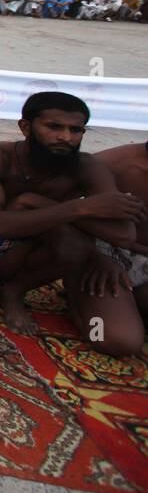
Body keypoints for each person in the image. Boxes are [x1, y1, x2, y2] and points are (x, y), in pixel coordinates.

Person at [0, 94, 145, 337]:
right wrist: (80, 208)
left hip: (31, 248)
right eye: (54, 127)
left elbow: (124, 234)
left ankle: (14, 291)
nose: (66, 137)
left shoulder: (89, 167)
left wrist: (35, 203)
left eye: (76, 130)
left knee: (76, 245)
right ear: (25, 127)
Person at [86, 140, 148, 354]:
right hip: (105, 256)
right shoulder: (109, 164)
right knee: (115, 340)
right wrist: (94, 255)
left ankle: (130, 308)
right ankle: (85, 309)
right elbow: (58, 210)